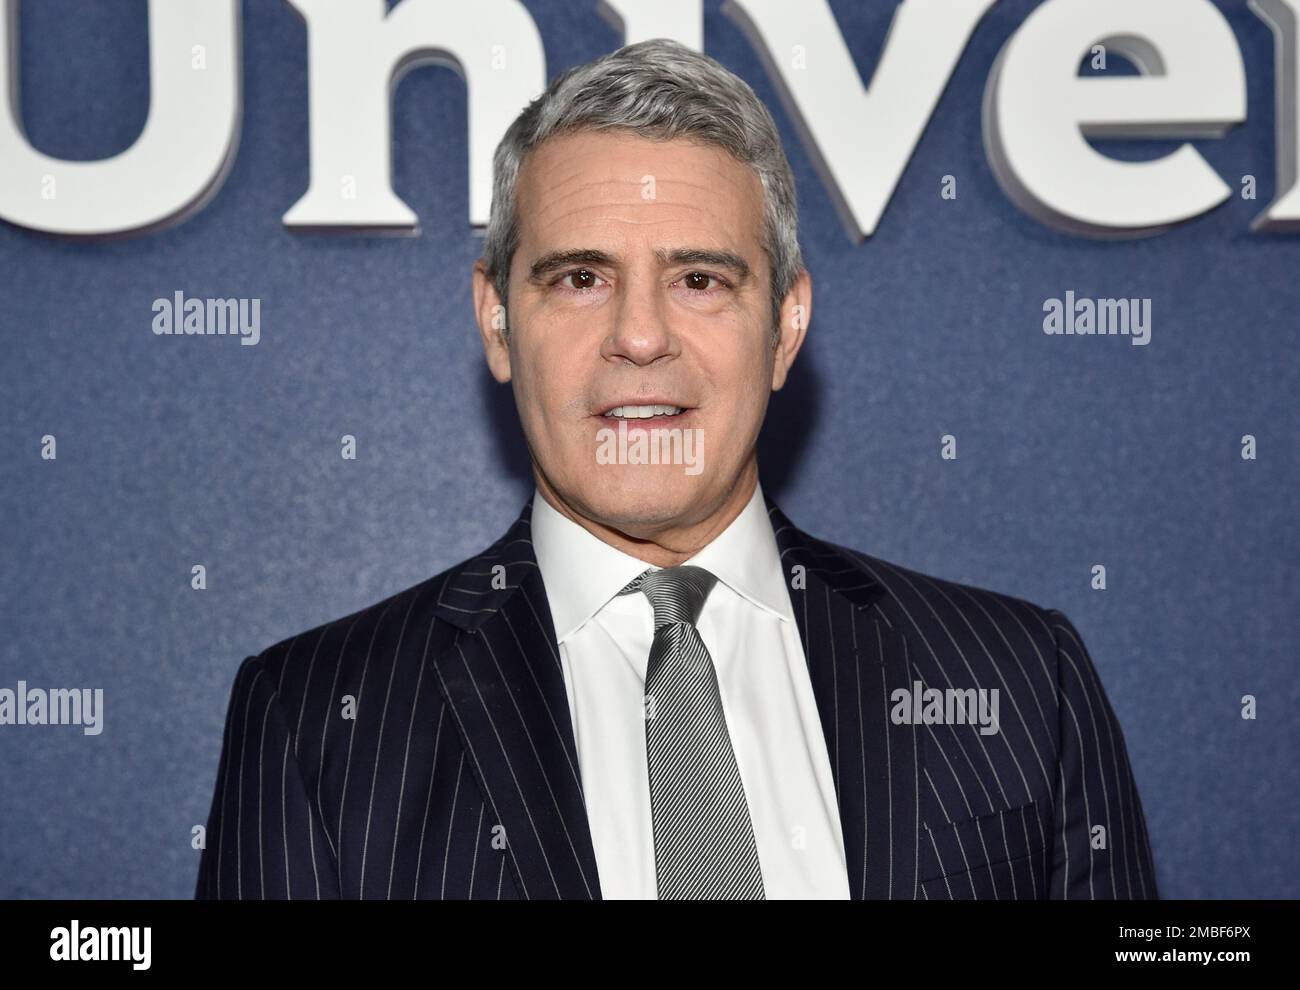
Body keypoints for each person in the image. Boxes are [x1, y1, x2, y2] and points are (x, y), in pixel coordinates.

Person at [196, 38, 1156, 900]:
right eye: (580, 278)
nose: (640, 336)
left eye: (700, 279)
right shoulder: (317, 722)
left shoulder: (1024, 682)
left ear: (785, 326)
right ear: (495, 320)